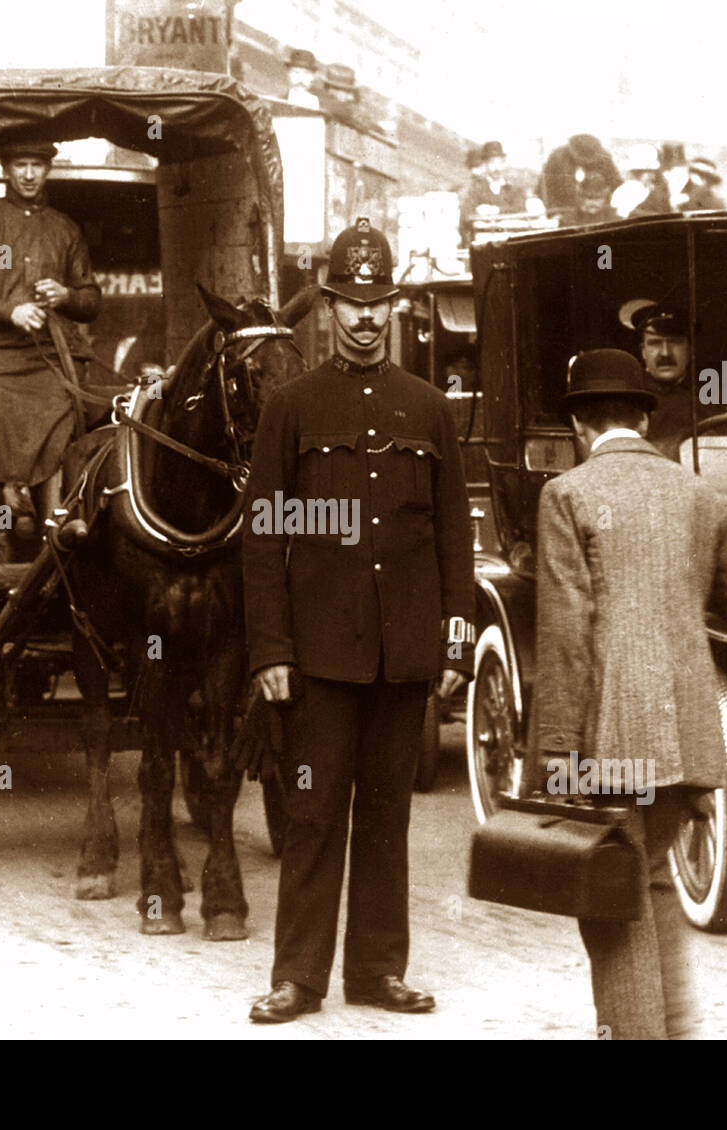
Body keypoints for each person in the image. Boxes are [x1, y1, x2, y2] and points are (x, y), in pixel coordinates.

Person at [242, 217, 475, 1023]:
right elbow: (264, 532)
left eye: (380, 303)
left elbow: (455, 537)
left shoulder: (430, 408)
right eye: (352, 302)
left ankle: (377, 970)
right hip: (317, 655)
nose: (367, 317)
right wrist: (269, 648)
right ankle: (297, 978)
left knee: (387, 817)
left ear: (396, 308)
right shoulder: (292, 408)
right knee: (311, 814)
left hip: (404, 654)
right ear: (329, 307)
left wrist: (454, 640)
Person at [533, 350, 727, 1039]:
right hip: (687, 742)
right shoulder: (698, 495)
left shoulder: (568, 494)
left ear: (581, 423)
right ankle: (675, 1030)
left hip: (611, 746)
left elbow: (567, 636)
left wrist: (557, 754)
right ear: (644, 415)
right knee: (653, 879)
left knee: (611, 906)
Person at [0, 140, 101, 550]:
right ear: (6, 169)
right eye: (21, 164)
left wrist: (66, 296)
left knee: (63, 412)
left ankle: (53, 526)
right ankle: (6, 517)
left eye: (37, 165)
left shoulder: (65, 229)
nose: (29, 174)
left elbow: (91, 300)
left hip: (48, 355)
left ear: (48, 170)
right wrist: (10, 312)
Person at [619, 300, 694, 458]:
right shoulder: (628, 404)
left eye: (675, 342)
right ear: (643, 352)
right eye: (655, 343)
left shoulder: (713, 399)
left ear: (689, 350)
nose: (665, 353)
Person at [540, 133, 623, 227]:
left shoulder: (604, 156)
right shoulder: (557, 157)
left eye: (590, 159)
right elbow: (547, 188)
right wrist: (554, 213)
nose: (586, 162)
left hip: (599, 214)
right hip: (565, 211)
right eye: (582, 158)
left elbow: (616, 184)